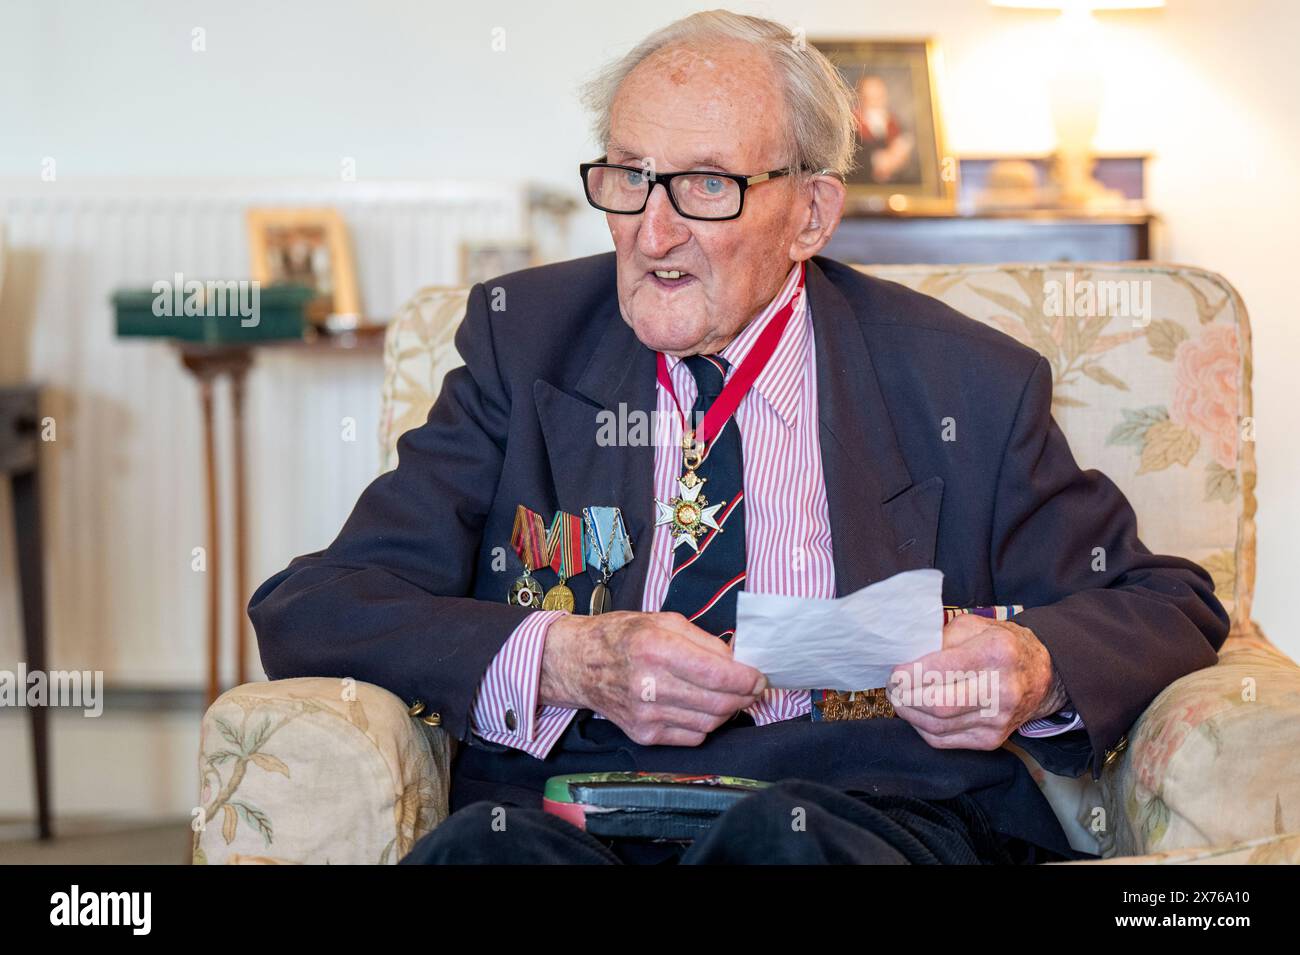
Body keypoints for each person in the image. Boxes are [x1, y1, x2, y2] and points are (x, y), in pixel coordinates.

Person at [249, 10, 1227, 864]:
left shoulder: (959, 378)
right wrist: (563, 656)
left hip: (859, 811)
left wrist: (1028, 662)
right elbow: (319, 604)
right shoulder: (525, 344)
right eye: (629, 176)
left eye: (705, 186)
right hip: (571, 814)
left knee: (779, 844)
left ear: (809, 213)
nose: (651, 230)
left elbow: (1163, 602)